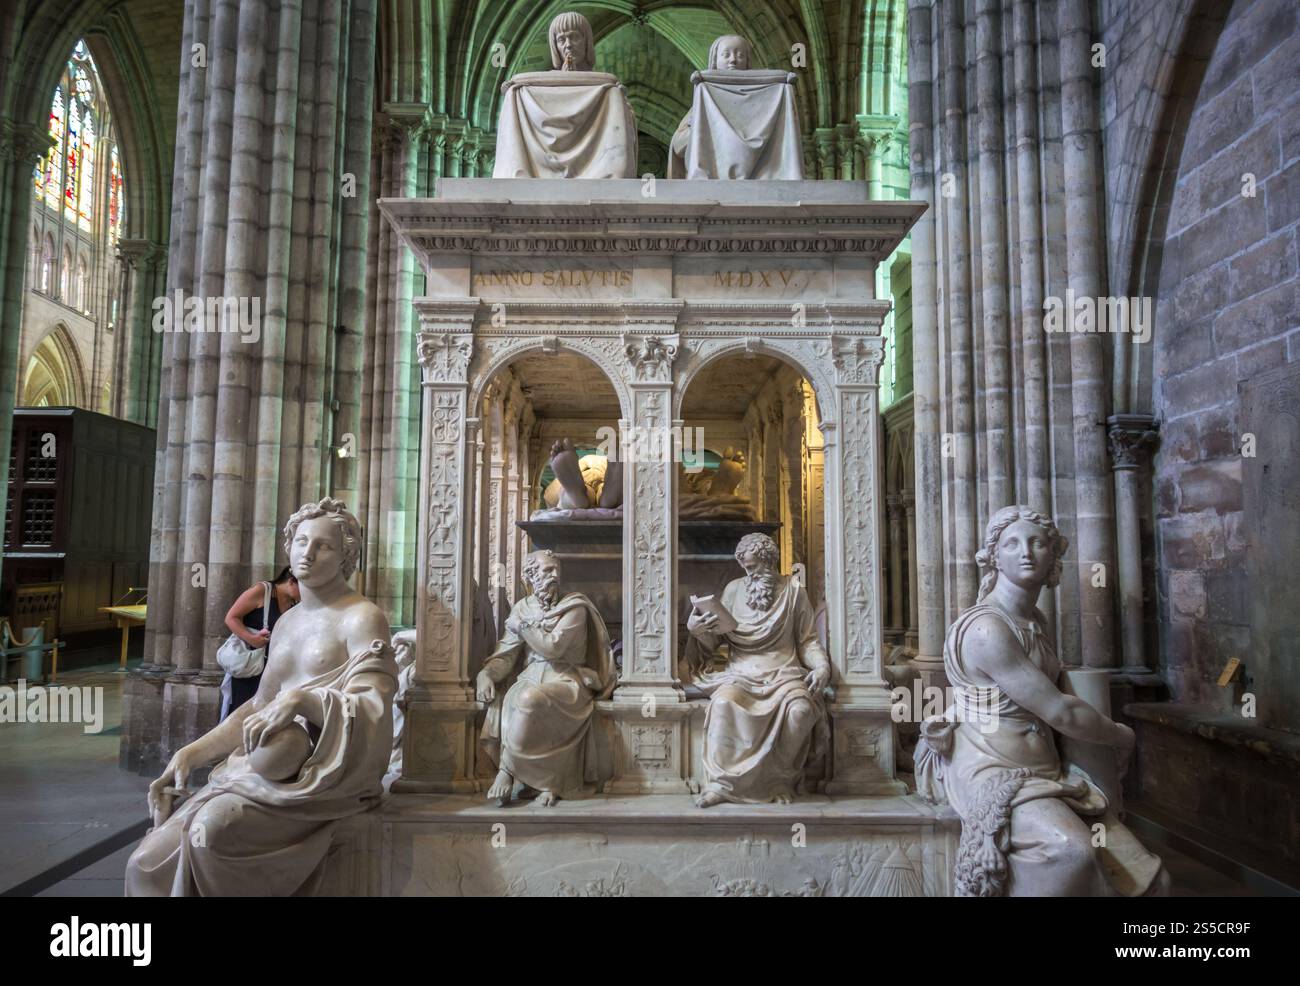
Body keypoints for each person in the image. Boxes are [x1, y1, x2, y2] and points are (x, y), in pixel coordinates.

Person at [125, 498, 397, 896]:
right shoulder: (288, 622)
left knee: (208, 834)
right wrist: (191, 754)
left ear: (345, 556)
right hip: (255, 769)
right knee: (145, 863)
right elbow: (256, 707)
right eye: (301, 541)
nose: (308, 552)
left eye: (324, 545)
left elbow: (374, 705)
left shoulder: (361, 616)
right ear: (288, 547)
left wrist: (304, 701)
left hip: (316, 776)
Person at [913, 505, 1165, 896]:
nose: (1026, 552)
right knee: (1070, 852)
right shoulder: (986, 628)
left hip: (1046, 769)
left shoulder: (1033, 622)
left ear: (1054, 555)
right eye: (1012, 544)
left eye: (1037, 543)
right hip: (991, 768)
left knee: (1150, 879)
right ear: (994, 556)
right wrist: (1120, 735)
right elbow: (1060, 710)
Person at [686, 532, 831, 807]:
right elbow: (714, 640)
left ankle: (778, 782)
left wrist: (822, 666)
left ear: (768, 561)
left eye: (752, 567)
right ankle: (721, 784)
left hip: (784, 673)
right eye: (744, 567)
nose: (747, 573)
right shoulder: (732, 590)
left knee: (800, 712)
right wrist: (698, 631)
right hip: (740, 673)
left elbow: (808, 641)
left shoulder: (794, 590)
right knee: (723, 704)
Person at [221, 566, 300, 717]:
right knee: (243, 715)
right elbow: (231, 617)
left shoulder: (294, 603)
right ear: (291, 581)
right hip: (251, 667)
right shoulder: (262, 591)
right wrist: (252, 639)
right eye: (303, 588)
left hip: (275, 669)